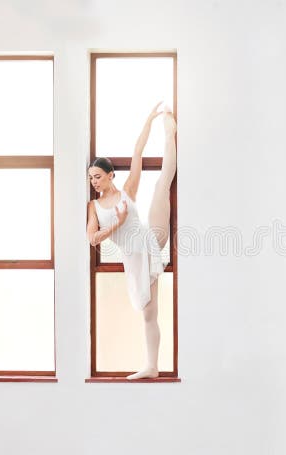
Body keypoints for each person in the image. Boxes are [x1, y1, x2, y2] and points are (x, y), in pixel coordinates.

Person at [86, 102, 177, 380]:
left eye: (98, 177)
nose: (94, 182)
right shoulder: (94, 206)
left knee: (163, 183)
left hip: (149, 240)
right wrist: (118, 222)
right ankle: (151, 365)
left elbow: (137, 152)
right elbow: (93, 239)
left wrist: (149, 118)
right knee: (147, 313)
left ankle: (169, 132)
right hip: (132, 255)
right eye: (91, 178)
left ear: (111, 175)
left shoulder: (127, 190)